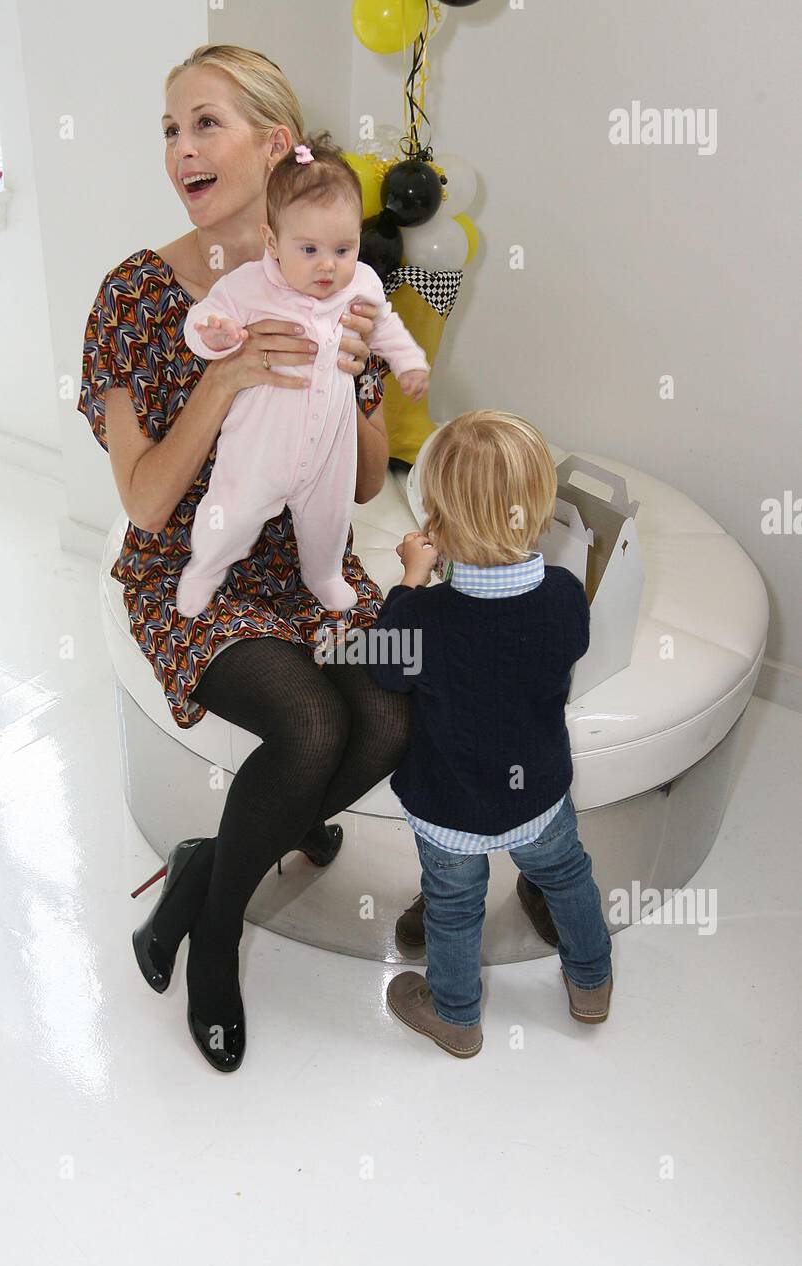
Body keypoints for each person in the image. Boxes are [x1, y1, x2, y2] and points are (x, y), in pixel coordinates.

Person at [76, 44, 410, 1072]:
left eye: (205, 122)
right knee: (312, 727)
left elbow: (361, 487)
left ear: (275, 146)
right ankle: (215, 939)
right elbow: (141, 499)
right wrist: (222, 384)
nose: (182, 148)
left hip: (306, 566)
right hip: (193, 570)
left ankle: (204, 869)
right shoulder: (134, 295)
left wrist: (361, 385)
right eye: (170, 129)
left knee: (392, 713)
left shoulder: (335, 272)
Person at [366, 411, 614, 1058]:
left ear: (436, 522)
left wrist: (411, 579)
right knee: (568, 878)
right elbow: (566, 645)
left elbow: (383, 669)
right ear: (536, 511)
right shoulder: (564, 595)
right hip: (539, 798)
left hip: (451, 811)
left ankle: (455, 1016)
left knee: (454, 909)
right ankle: (590, 983)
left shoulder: (423, 620)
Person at [177, 134, 430, 619]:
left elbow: (384, 324)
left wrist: (410, 362)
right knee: (232, 512)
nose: (327, 266)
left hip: (328, 447)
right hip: (260, 446)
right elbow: (204, 319)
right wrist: (217, 332)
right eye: (309, 248)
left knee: (329, 520)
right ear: (272, 241)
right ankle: (206, 568)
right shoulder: (249, 285)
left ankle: (324, 575)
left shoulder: (362, 283)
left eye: (343, 247)